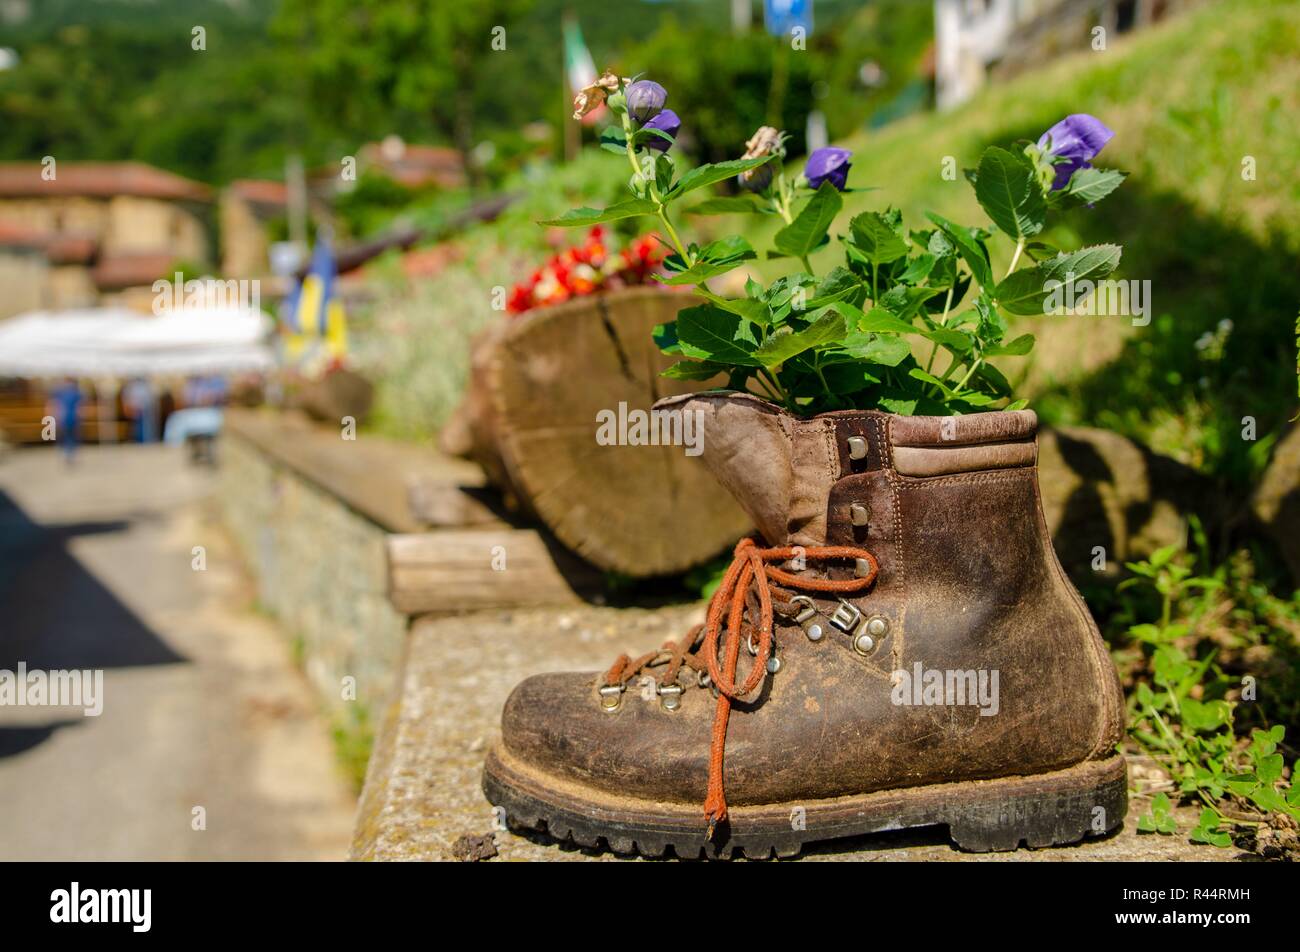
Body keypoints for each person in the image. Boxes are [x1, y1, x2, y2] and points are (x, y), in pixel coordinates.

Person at [46, 378, 82, 464]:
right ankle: (69, 455)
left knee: (67, 437)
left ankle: (68, 455)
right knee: (69, 437)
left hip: (66, 418)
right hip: (70, 418)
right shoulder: (73, 393)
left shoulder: (62, 393)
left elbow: (54, 405)